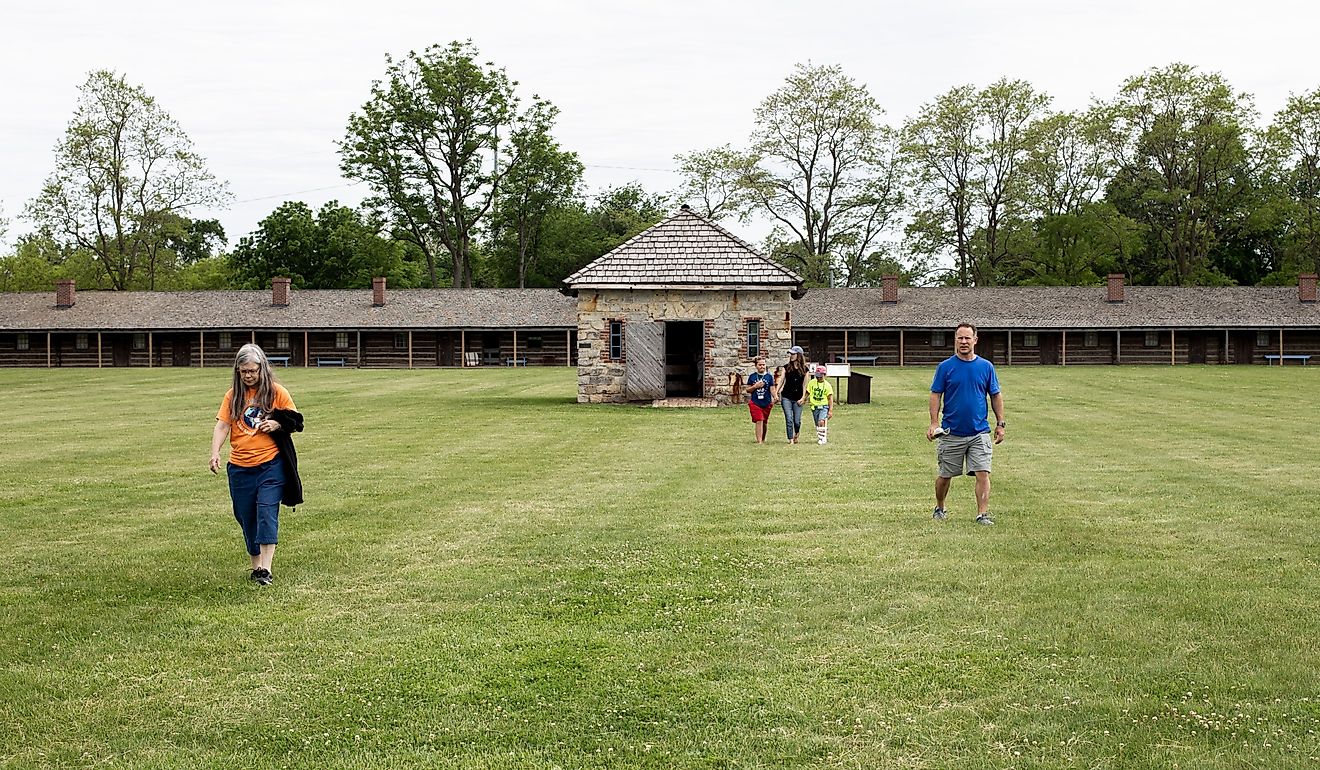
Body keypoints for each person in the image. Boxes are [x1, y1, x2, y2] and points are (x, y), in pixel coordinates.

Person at [209, 343, 301, 584]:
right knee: (246, 516)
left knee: (266, 512)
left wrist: (277, 424)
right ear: (238, 372)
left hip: (271, 464)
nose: (249, 376)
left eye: (253, 371)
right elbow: (222, 425)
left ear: (262, 369)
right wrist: (215, 452)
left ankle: (266, 570)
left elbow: (296, 420)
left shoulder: (276, 392)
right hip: (240, 467)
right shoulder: (233, 396)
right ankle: (256, 565)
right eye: (244, 372)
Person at [927, 323, 1005, 526]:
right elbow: (936, 394)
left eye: (967, 338)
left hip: (979, 431)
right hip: (951, 432)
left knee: (983, 472)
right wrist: (934, 422)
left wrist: (1000, 423)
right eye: (960, 338)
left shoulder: (986, 367)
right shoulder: (945, 367)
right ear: (955, 340)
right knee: (945, 476)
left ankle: (982, 514)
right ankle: (940, 507)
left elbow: (995, 395)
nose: (963, 342)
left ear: (975, 340)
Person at [777, 346, 809, 444]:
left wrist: (803, 398)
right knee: (789, 418)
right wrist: (776, 391)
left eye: (793, 354)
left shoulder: (805, 369)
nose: (791, 356)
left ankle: (797, 433)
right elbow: (781, 380)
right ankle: (790, 439)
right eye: (790, 354)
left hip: (798, 397)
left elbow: (805, 385)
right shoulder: (786, 367)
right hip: (786, 396)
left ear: (798, 355)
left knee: (797, 421)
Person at [745, 357, 775, 443]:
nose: (762, 366)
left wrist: (775, 396)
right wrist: (755, 386)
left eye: (763, 365)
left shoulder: (769, 377)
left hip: (766, 402)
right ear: (756, 366)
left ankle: (763, 438)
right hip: (755, 402)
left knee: (764, 421)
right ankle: (759, 441)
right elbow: (747, 390)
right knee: (759, 420)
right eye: (760, 365)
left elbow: (772, 389)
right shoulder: (752, 376)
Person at [806, 364, 834, 444]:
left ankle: (823, 438)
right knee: (818, 424)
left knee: (821, 421)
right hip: (814, 406)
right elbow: (807, 392)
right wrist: (803, 400)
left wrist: (830, 410)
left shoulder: (827, 386)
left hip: (824, 406)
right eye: (817, 377)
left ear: (824, 375)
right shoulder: (812, 383)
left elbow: (830, 399)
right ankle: (821, 436)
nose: (818, 378)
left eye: (820, 377)